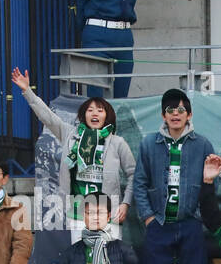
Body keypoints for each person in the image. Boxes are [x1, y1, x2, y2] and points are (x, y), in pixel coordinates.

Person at [132, 88, 215, 264]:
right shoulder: (149, 143)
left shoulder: (202, 144)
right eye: (170, 110)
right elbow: (139, 182)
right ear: (163, 115)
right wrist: (148, 217)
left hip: (190, 223)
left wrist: (200, 215)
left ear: (189, 114)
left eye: (180, 110)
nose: (175, 114)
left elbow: (212, 181)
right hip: (159, 223)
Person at [11, 69, 135, 223]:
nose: (94, 113)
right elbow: (47, 117)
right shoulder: (70, 134)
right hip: (78, 214)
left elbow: (134, 174)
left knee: (109, 248)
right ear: (84, 115)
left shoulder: (117, 142)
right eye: (90, 110)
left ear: (107, 116)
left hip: (108, 214)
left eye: (99, 110)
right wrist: (27, 91)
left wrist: (125, 203)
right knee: (80, 248)